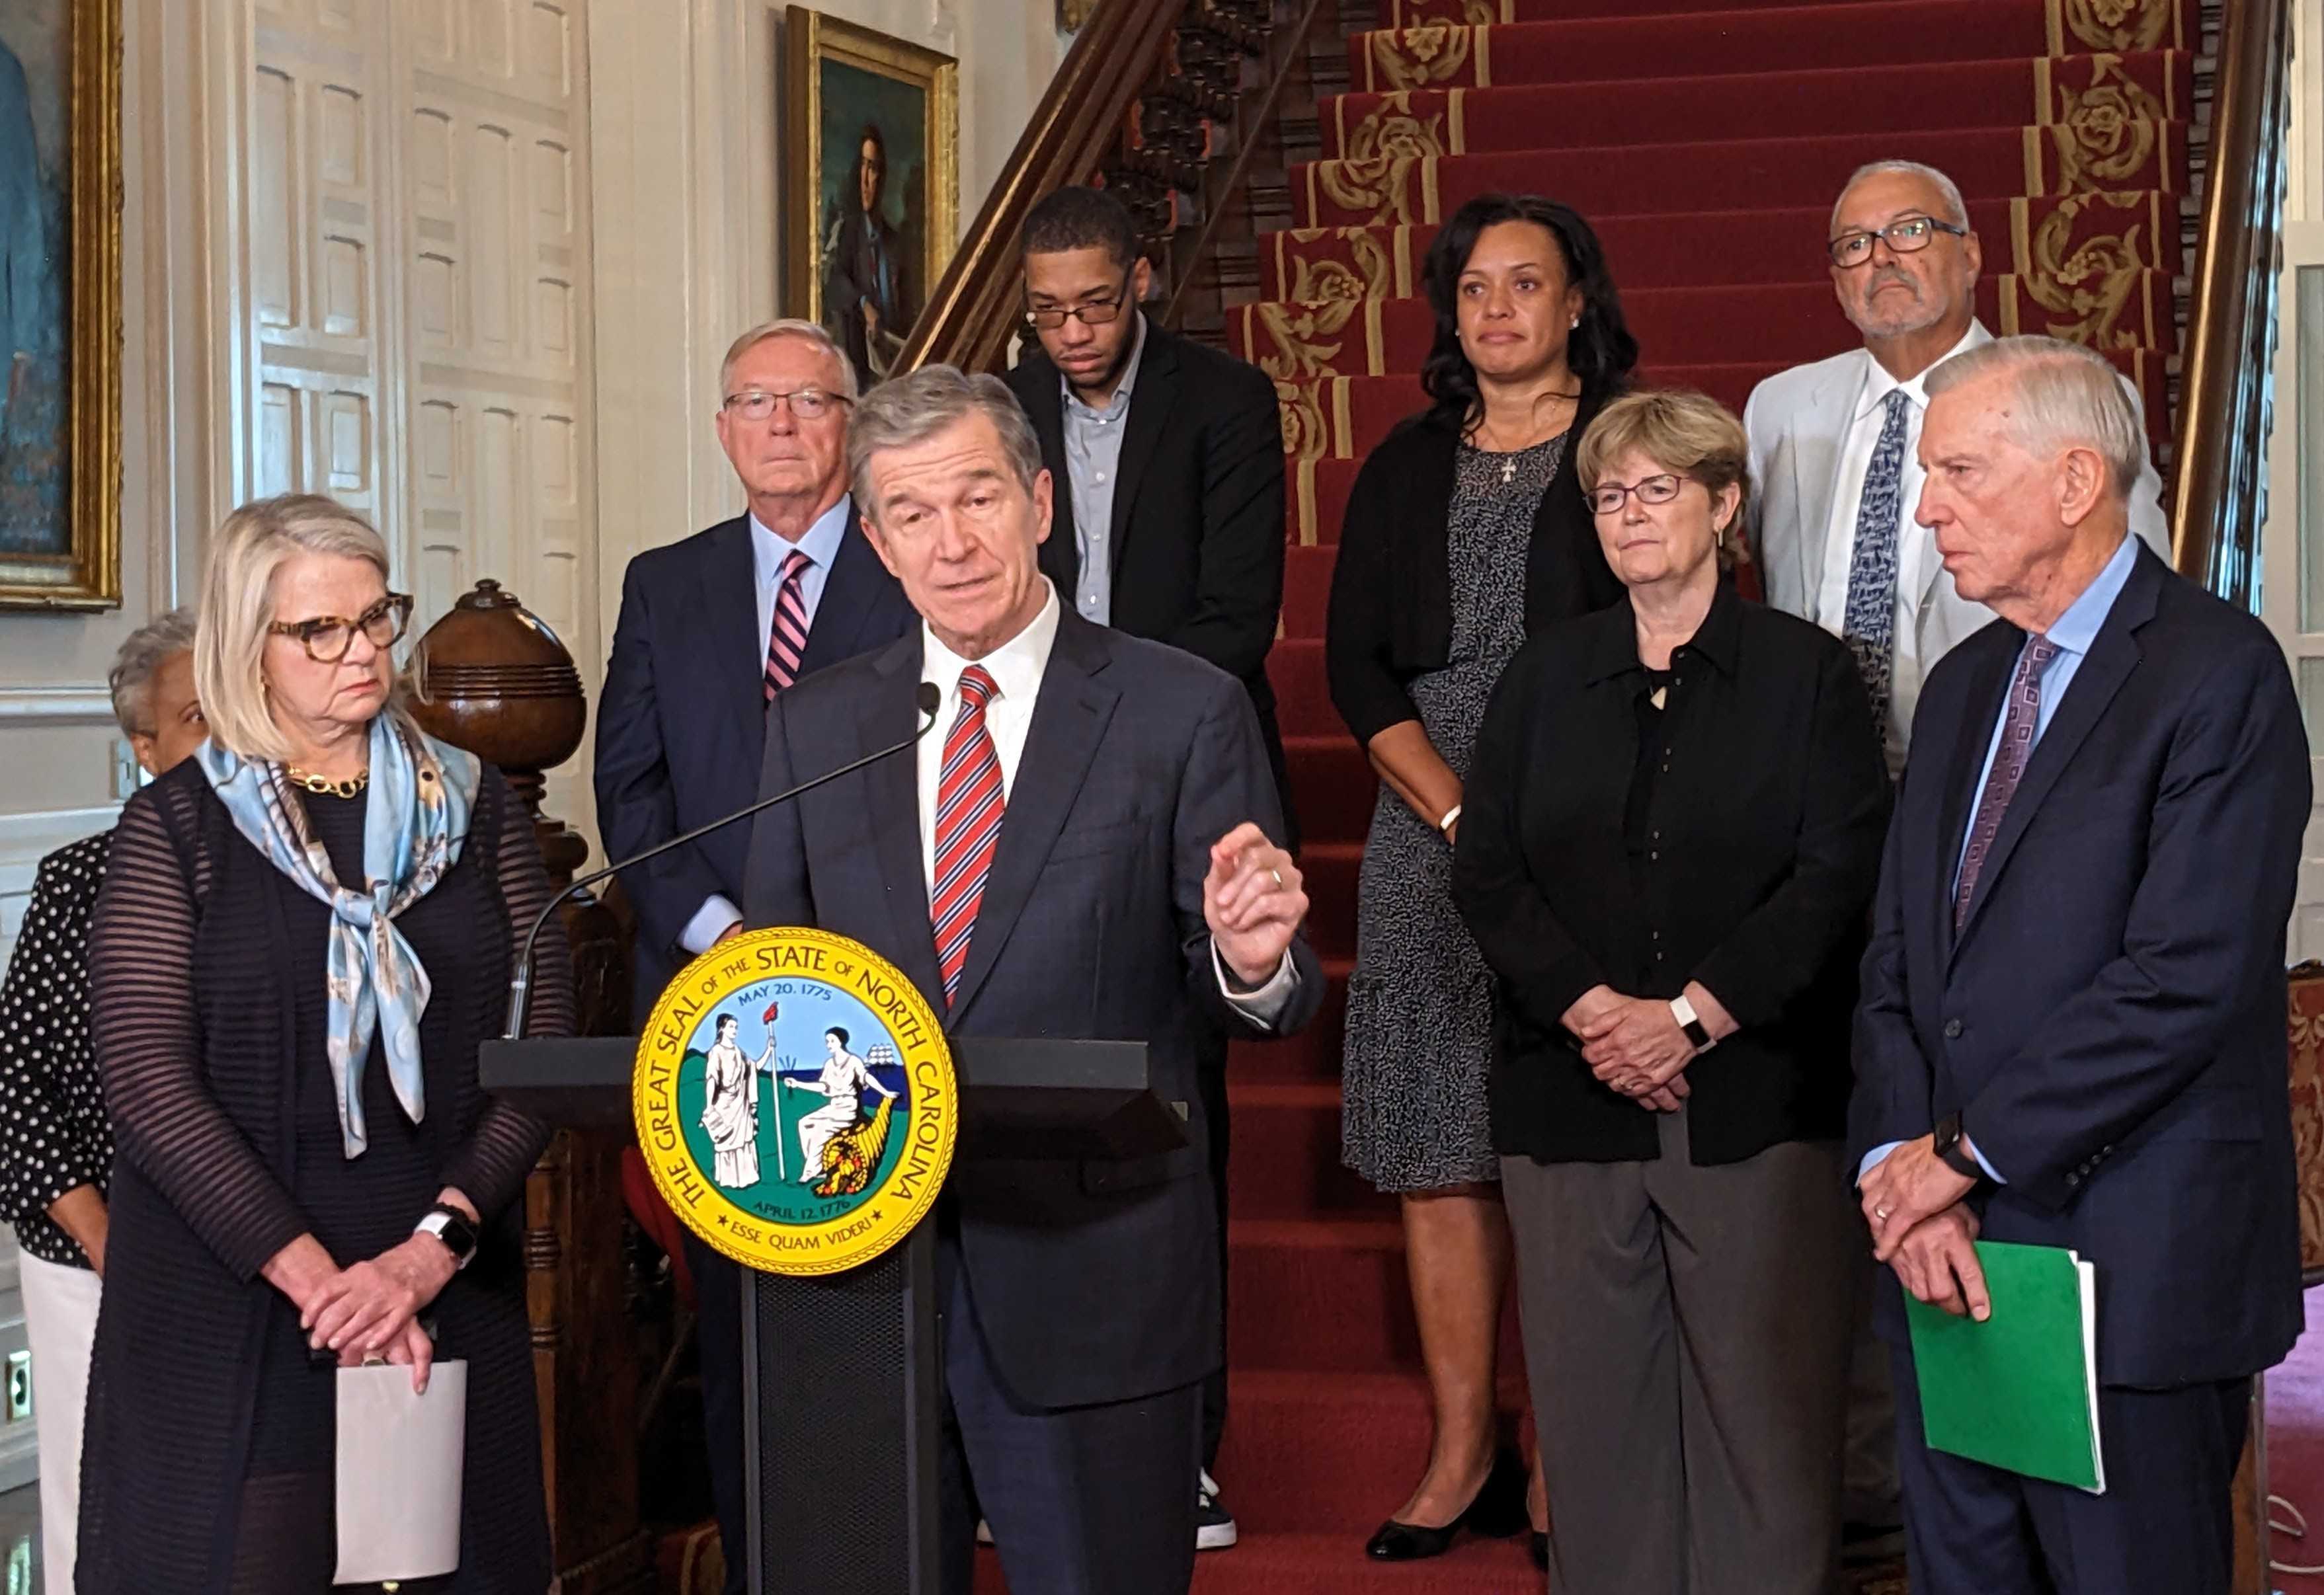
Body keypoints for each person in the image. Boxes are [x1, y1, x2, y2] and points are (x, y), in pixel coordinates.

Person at [742, 364, 1321, 1595]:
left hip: (1092, 1285)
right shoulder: (818, 725)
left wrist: (1251, 958)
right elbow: (776, 984)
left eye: (977, 498)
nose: (950, 543)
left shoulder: (1180, 709)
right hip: (861, 1291)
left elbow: (1251, 989)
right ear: (877, 542)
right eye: (911, 513)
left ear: (1041, 502)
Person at [1740, 159, 2170, 1547]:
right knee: (1868, 1087)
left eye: (1908, 232)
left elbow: (2131, 630)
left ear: (1972, 252)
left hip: (2019, 814)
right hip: (1851, 821)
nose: (1878, 260)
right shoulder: (1781, 410)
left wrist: (1955, 1155)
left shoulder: (2059, 401)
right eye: (1849, 242)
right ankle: (1873, 1467)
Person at [1850, 335, 2308, 1595]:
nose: (1928, 508)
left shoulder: (2219, 673)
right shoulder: (1962, 685)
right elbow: (1897, 959)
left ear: (2073, 480)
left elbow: (2184, 980)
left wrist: (1958, 1157)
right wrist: (1899, 1170)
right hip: (1945, 1261)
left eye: (1959, 471)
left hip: (2131, 1266)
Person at [75, 494, 569, 1593]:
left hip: (441, 1273)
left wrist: (427, 1253)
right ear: (247, 645)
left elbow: (539, 1050)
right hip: (235, 1298)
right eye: (322, 629)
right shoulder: (176, 827)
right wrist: (328, 1289)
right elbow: (147, 1083)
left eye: (377, 616)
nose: (365, 651)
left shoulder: (478, 807)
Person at [1453, 389, 1890, 1593]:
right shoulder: (1544, 676)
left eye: (1658, 489)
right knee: (1597, 1435)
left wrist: (1692, 1015)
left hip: (1756, 1104)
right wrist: (1594, 1011)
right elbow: (1487, 869)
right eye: (1609, 496)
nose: (1631, 514)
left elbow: (1835, 873)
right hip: (1569, 1099)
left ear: (1724, 504)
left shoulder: (1807, 674)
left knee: (1765, 1430)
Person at [1323, 191, 1634, 1563]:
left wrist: (1541, 819)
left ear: (1577, 301)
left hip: (1597, 812)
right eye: (1472, 288)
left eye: (1526, 282)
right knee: (1436, 1149)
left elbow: (1674, 623)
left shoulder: (1627, 443)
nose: (1497, 308)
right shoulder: (1403, 463)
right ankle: (1463, 1454)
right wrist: (1457, 815)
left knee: (1563, 1149)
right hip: (1426, 824)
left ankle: (1568, 1459)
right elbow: (1355, 667)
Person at [596, 315, 914, 1589]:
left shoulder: (912, 565)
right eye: (755, 402)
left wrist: (843, 947)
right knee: (736, 1316)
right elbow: (630, 790)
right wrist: (723, 933)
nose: (781, 424)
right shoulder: (664, 582)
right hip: (714, 1007)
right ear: (723, 427)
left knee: (875, 1310)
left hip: (880, 999)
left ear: (853, 422)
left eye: (809, 401)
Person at [1002, 182, 1292, 1547]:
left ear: (1143, 281)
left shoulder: (1224, 401)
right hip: (1015, 787)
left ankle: (1186, 1444)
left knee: (1180, 1111)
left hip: (1183, 767)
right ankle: (1020, 1425)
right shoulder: (1000, 409)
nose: (1070, 333)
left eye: (1093, 305)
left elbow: (1240, 614)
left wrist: (1114, 729)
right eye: (1046, 311)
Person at [0, 608, 204, 1590]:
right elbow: (17, 1087)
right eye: (197, 718)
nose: (227, 740)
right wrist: (106, 1240)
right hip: (94, 1250)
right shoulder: (79, 881)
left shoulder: (311, 878)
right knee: (103, 1513)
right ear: (145, 749)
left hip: (264, 1253)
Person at [824, 123, 914, 387]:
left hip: (895, 367)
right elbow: (836, 280)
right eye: (862, 166)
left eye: (872, 168)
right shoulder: (848, 232)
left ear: (881, 177)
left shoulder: (894, 241)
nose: (865, 180)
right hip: (859, 366)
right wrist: (864, 305)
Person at [787, 1027, 897, 1182]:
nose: (828, 1045)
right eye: (827, 1041)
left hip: (848, 1108)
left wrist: (885, 1092)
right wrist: (798, 1084)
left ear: (841, 1042)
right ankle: (817, 1166)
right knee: (804, 1123)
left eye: (832, 1041)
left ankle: (810, 1171)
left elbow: (866, 1077)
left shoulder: (853, 1061)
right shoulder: (829, 1064)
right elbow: (823, 1086)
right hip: (834, 1106)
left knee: (820, 1131)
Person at [700, 1013, 772, 1188]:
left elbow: (754, 1068)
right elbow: (712, 1079)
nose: (735, 1030)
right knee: (726, 1141)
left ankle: (746, 1178)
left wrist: (769, 1050)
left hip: (741, 1105)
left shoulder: (740, 1053)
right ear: (722, 1029)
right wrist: (709, 1106)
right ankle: (729, 1179)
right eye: (731, 1027)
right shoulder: (716, 1052)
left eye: (736, 1027)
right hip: (725, 1104)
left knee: (744, 1141)